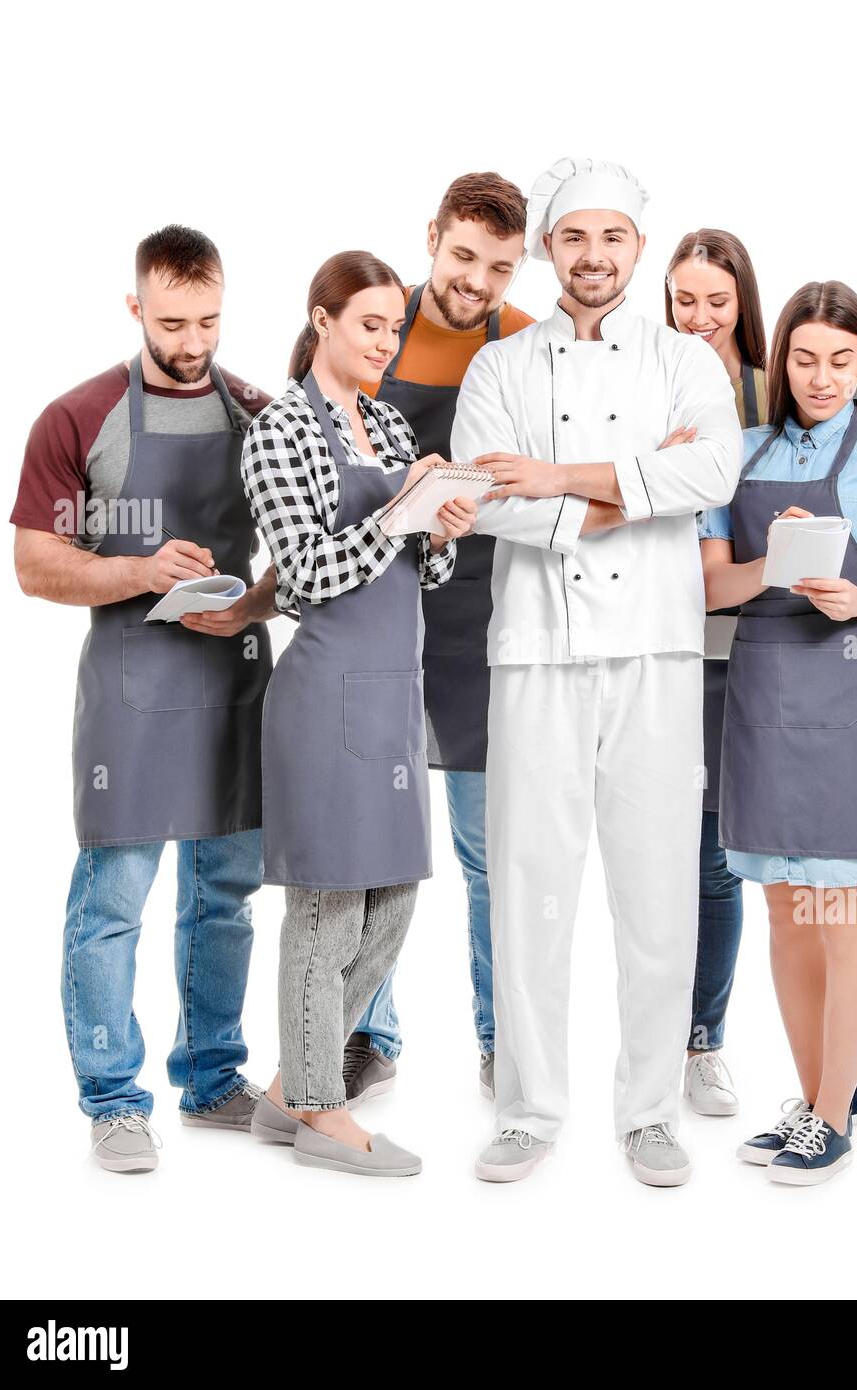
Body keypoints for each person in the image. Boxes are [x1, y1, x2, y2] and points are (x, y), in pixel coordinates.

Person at [452, 157, 742, 1187]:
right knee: (529, 883)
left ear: (638, 247)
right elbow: (487, 500)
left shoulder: (686, 362)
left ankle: (650, 1108)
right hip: (534, 645)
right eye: (574, 237)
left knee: (658, 883)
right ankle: (529, 1107)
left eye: (612, 237)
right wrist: (633, 490)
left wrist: (564, 480)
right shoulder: (500, 369)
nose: (594, 256)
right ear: (547, 248)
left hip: (659, 645)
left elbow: (713, 469)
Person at [10, 225, 279, 1173]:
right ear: (136, 308)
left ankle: (211, 1078)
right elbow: (34, 566)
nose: (195, 340)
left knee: (228, 897)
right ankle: (114, 1100)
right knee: (113, 898)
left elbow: (301, 557)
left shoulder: (260, 413)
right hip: (131, 692)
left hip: (239, 682)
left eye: (209, 319)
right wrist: (137, 570)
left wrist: (249, 600)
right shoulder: (78, 417)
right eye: (173, 322)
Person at [702, 281, 857, 1184]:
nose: (821, 376)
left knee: (844, 911)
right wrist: (775, 563)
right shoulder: (739, 453)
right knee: (784, 909)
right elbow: (710, 586)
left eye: (841, 360)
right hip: (764, 690)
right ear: (784, 360)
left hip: (851, 690)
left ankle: (835, 1115)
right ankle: (813, 1104)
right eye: (804, 358)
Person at [240, 251, 475, 1177]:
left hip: (393, 695)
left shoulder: (384, 421)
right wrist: (399, 516)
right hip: (325, 694)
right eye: (369, 324)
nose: (384, 342)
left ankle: (288, 1091)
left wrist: (441, 527)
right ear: (322, 319)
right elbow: (304, 578)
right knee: (330, 906)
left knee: (395, 898)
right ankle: (321, 1109)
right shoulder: (280, 432)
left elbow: (424, 572)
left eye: (393, 328)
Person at [348, 173, 533, 1107]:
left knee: (484, 850)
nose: (476, 282)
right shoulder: (372, 325)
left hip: (474, 625)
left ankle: (500, 1040)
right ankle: (363, 1032)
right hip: (370, 613)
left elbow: (545, 485)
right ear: (432, 238)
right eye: (462, 258)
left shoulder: (529, 341)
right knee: (371, 843)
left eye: (498, 267)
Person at [666, 228, 767, 1117]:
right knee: (656, 855)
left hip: (755, 654)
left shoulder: (777, 394)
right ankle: (656, 1037)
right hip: (662, 650)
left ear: (744, 304)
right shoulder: (647, 383)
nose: (699, 319)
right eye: (683, 301)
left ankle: (704, 1041)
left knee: (718, 862)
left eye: (717, 302)